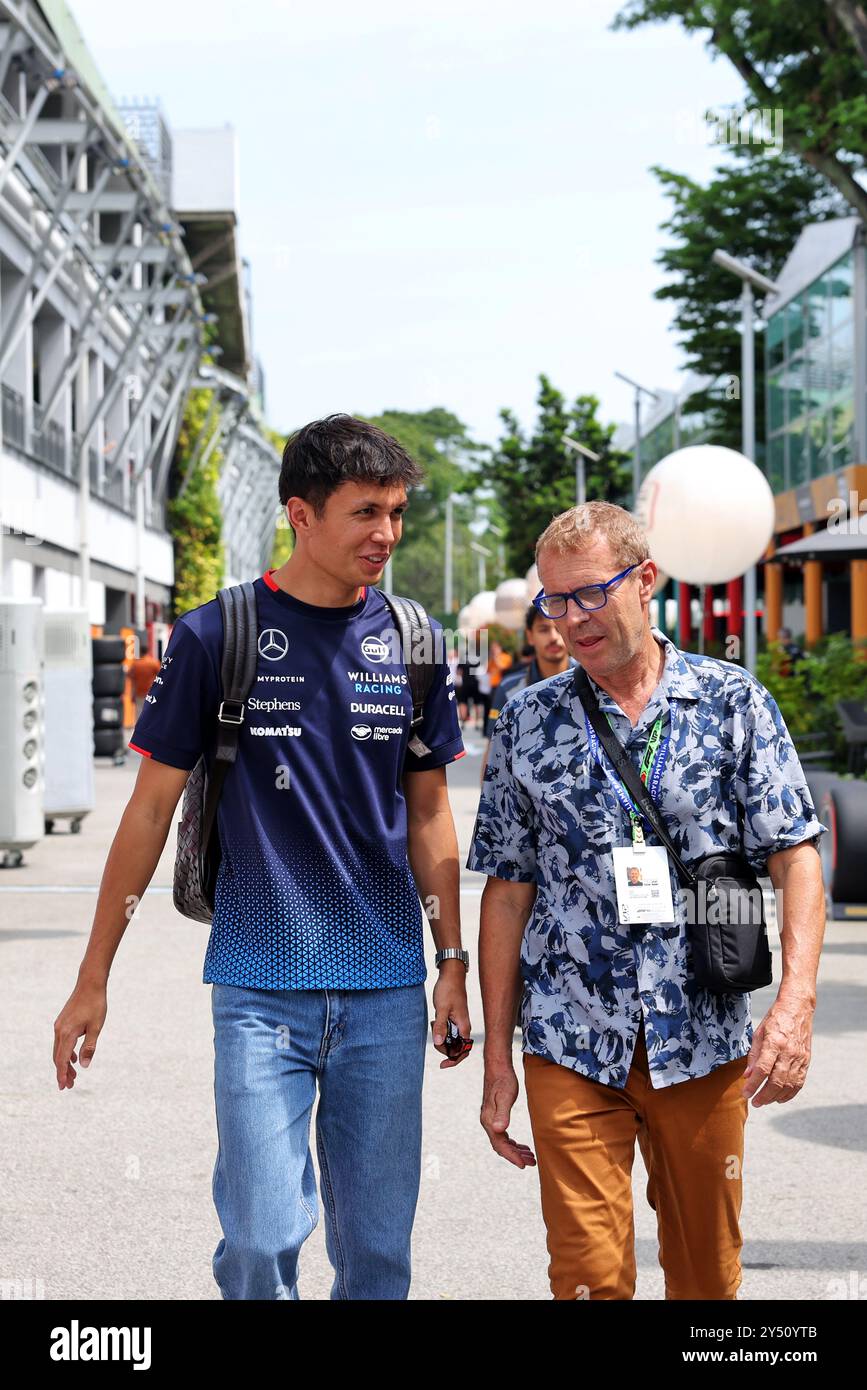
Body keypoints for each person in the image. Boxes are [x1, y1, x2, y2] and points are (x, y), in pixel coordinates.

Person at [53, 414, 472, 1301]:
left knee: (377, 1258)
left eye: (396, 512)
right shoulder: (216, 636)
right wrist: (95, 977)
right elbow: (147, 816)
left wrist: (451, 962)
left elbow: (431, 815)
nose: (386, 535)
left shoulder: (415, 641)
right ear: (300, 514)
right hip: (258, 986)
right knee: (256, 1238)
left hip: (387, 988)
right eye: (365, 512)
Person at [468, 499, 827, 1301]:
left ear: (645, 580)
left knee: (705, 1278)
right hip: (569, 1034)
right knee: (588, 1279)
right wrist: (498, 1052)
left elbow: (794, 855)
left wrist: (795, 1003)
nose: (570, 620)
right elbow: (507, 887)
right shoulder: (526, 720)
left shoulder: (730, 702)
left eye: (590, 593)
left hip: (699, 1033)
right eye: (555, 601)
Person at [480, 603, 577, 781]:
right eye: (544, 630)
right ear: (530, 636)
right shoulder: (510, 689)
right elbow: (494, 753)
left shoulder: (590, 679)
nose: (553, 637)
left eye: (558, 628)